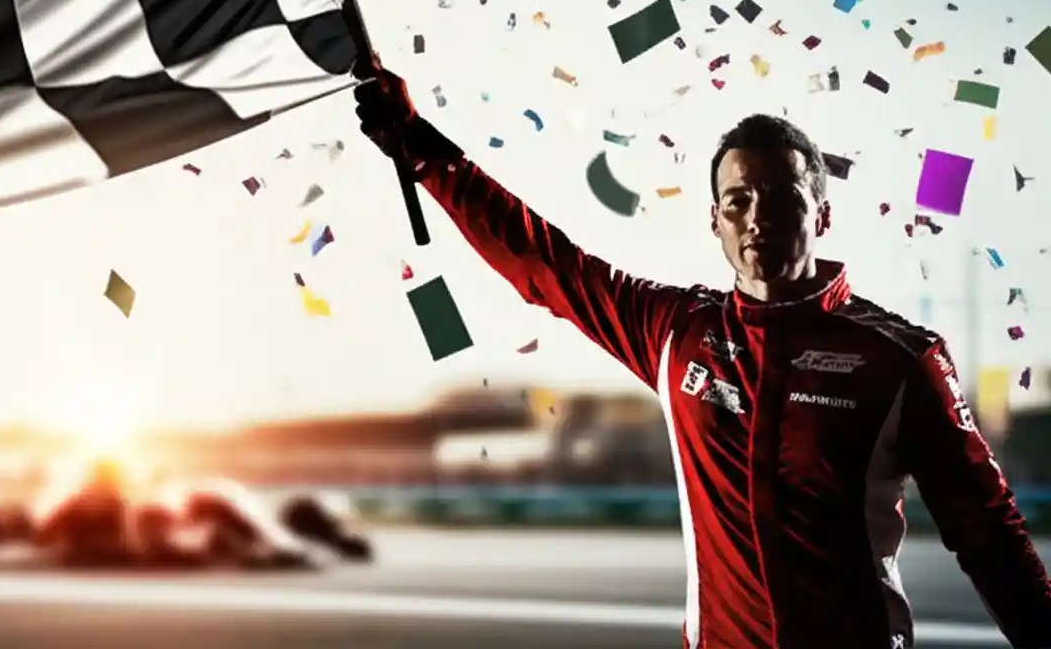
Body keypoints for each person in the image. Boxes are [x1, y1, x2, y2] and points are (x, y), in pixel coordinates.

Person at [353, 63, 1051, 648]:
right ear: (713, 219)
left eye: (783, 198)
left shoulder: (900, 358)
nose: (759, 218)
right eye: (738, 200)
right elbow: (544, 261)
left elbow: (989, 535)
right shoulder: (675, 328)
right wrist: (419, 147)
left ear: (823, 214)